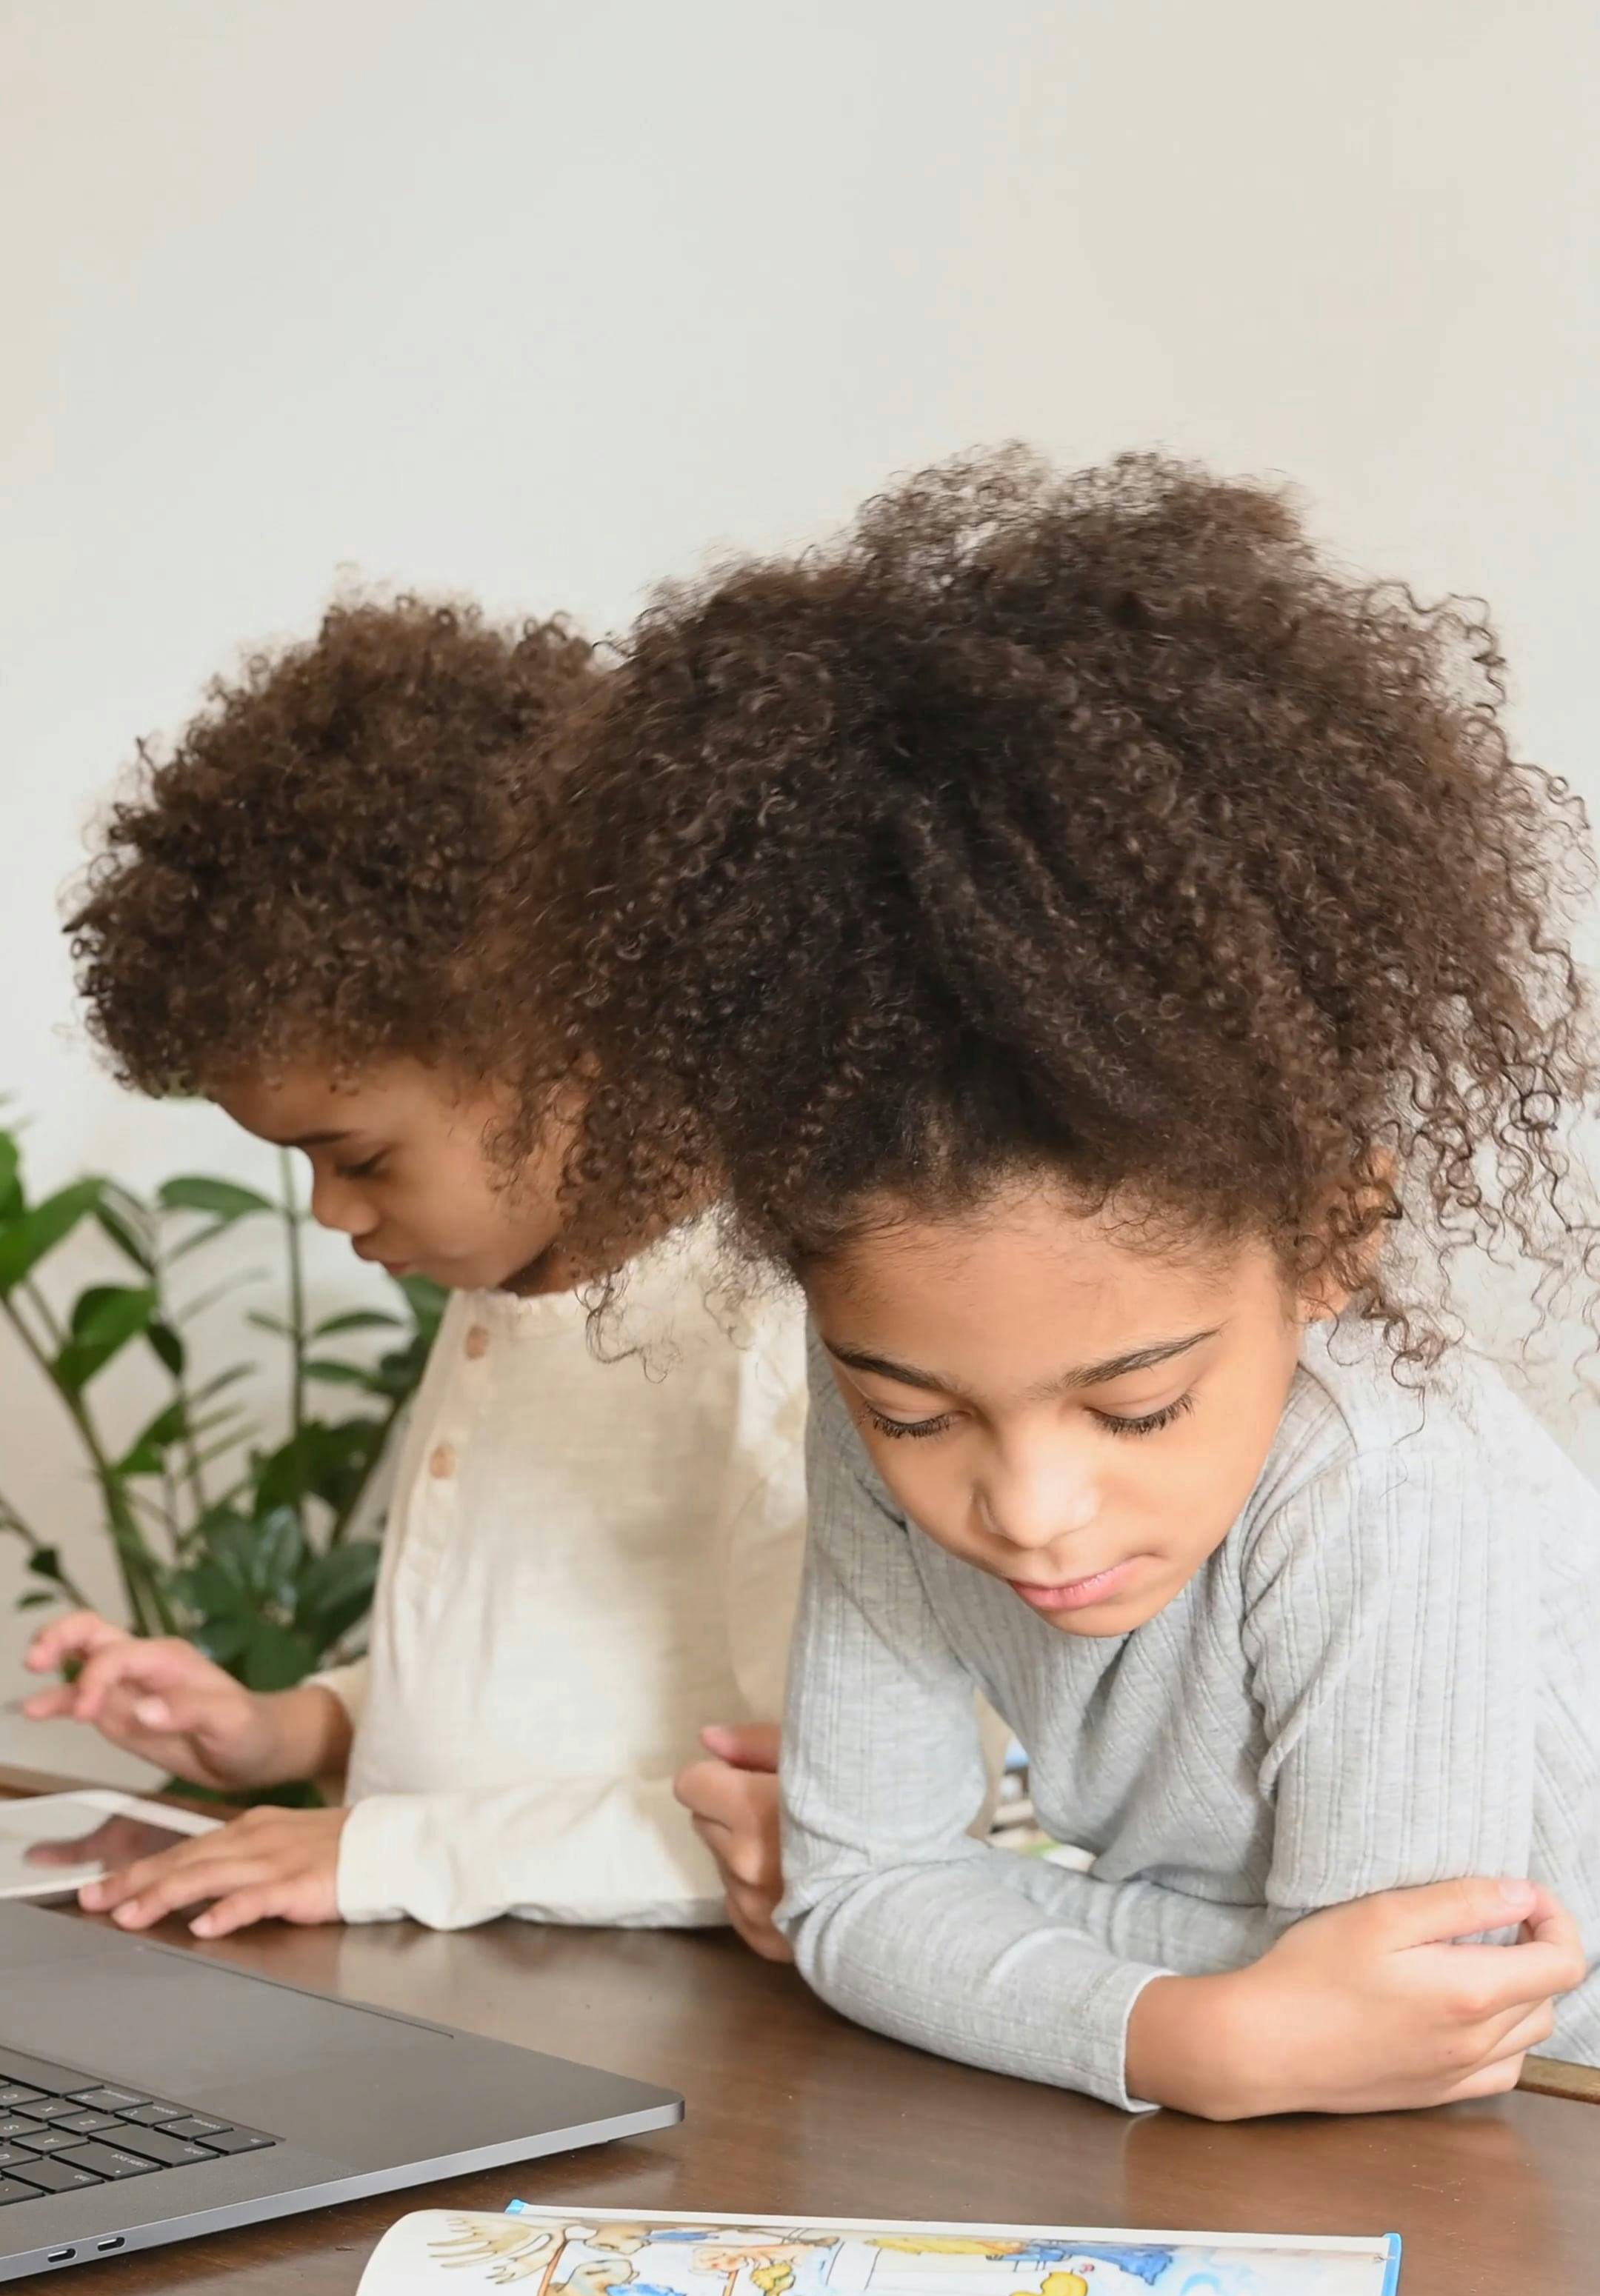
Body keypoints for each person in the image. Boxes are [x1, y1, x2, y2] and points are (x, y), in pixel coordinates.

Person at [510, 450, 1600, 2115]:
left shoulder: (1388, 1481)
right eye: (913, 1410)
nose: (1028, 1508)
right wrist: (1189, 2023)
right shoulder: (879, 1403)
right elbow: (864, 1899)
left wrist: (992, 1923)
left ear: (1328, 1239)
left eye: (1139, 1403)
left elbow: (1406, 2043)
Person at [23, 595, 804, 1937]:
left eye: (363, 1158)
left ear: (577, 1050)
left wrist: (379, 1859)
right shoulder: (507, 1287)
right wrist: (296, 1727)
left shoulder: (770, 1334)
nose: (330, 1213)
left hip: (689, 2068)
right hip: (466, 2014)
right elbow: (536, 1687)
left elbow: (826, 1823)